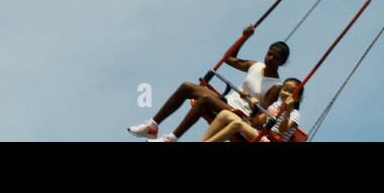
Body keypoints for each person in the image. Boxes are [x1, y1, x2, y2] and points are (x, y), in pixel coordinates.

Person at [127, 32, 288, 142]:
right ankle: (152, 125)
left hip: (241, 114)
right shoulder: (255, 65)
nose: (270, 58)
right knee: (187, 87)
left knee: (204, 99)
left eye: (275, 57)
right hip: (227, 101)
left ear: (281, 62)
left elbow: (261, 115)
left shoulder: (275, 86)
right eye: (269, 53)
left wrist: (252, 101)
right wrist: (244, 38)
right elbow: (229, 58)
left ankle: (172, 138)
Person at [200, 77, 304, 142]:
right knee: (225, 114)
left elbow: (282, 130)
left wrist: (288, 111)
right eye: (285, 89)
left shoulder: (295, 114)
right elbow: (256, 121)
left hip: (271, 139)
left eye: (291, 92)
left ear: (298, 98)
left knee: (237, 124)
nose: (286, 93)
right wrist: (254, 106)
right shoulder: (276, 106)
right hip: (262, 134)